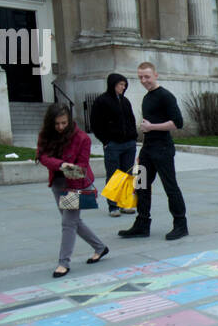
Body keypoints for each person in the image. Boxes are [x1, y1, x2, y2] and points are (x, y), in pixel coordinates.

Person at [36, 103, 107, 278]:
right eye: (56, 124)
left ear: (69, 120)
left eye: (63, 123)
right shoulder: (45, 135)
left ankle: (63, 263)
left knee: (68, 223)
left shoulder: (82, 138)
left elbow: (82, 167)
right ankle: (100, 247)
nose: (60, 127)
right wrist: (60, 165)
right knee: (74, 221)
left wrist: (69, 168)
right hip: (57, 183)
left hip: (75, 184)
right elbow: (42, 157)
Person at [119, 61, 188, 241]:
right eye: (140, 77)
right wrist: (141, 152)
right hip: (147, 150)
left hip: (163, 149)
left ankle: (181, 224)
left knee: (170, 186)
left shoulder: (166, 96)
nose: (144, 80)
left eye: (147, 76)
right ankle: (142, 223)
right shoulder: (147, 97)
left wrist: (152, 127)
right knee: (140, 185)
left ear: (155, 75)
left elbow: (177, 122)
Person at [89, 72, 139, 218]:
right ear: (113, 84)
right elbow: (95, 124)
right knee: (113, 175)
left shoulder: (125, 101)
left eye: (124, 85)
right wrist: (105, 141)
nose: (123, 87)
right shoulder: (101, 101)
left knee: (127, 174)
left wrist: (133, 137)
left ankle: (125, 204)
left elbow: (131, 120)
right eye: (120, 84)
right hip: (113, 144)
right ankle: (113, 206)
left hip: (128, 143)